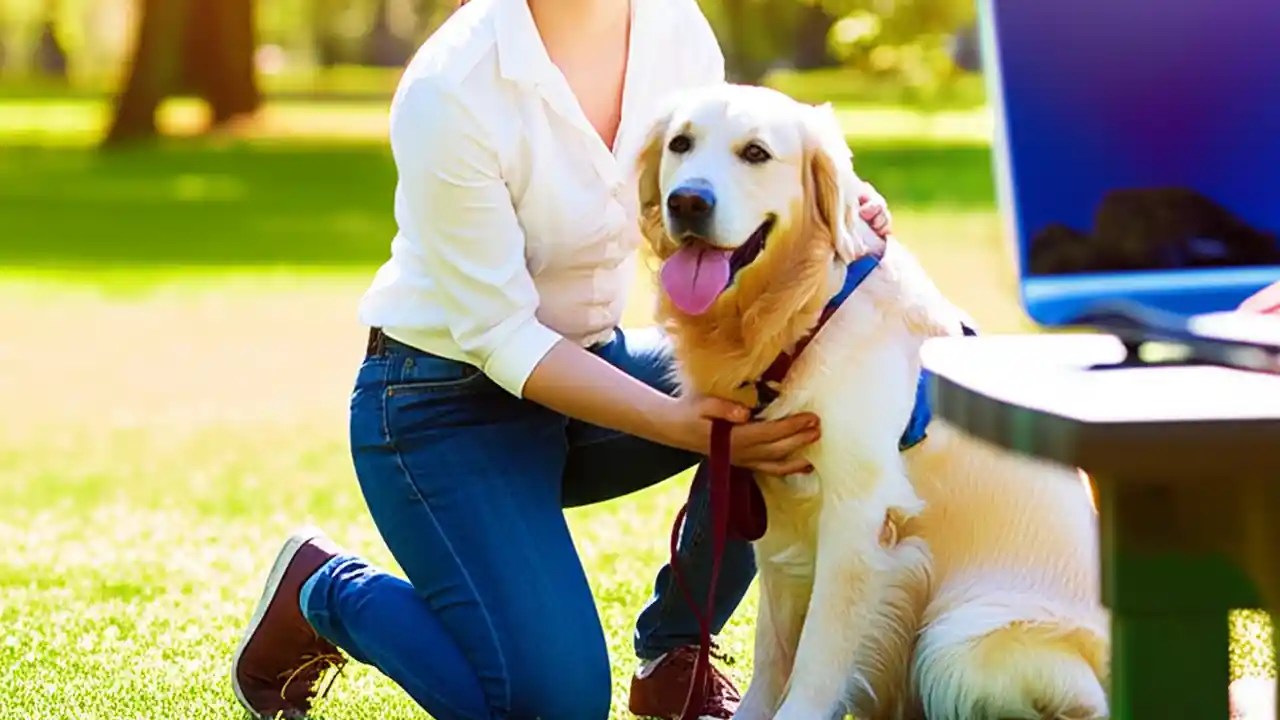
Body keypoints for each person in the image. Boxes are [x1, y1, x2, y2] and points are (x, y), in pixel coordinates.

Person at [228, 0, 894, 718]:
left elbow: (713, 193)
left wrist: (834, 202)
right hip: (437, 407)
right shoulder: (451, 86)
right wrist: (683, 425)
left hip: (591, 364)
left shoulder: (676, 31)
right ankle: (324, 590)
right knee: (555, 706)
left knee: (778, 397)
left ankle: (676, 653)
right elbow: (501, 335)